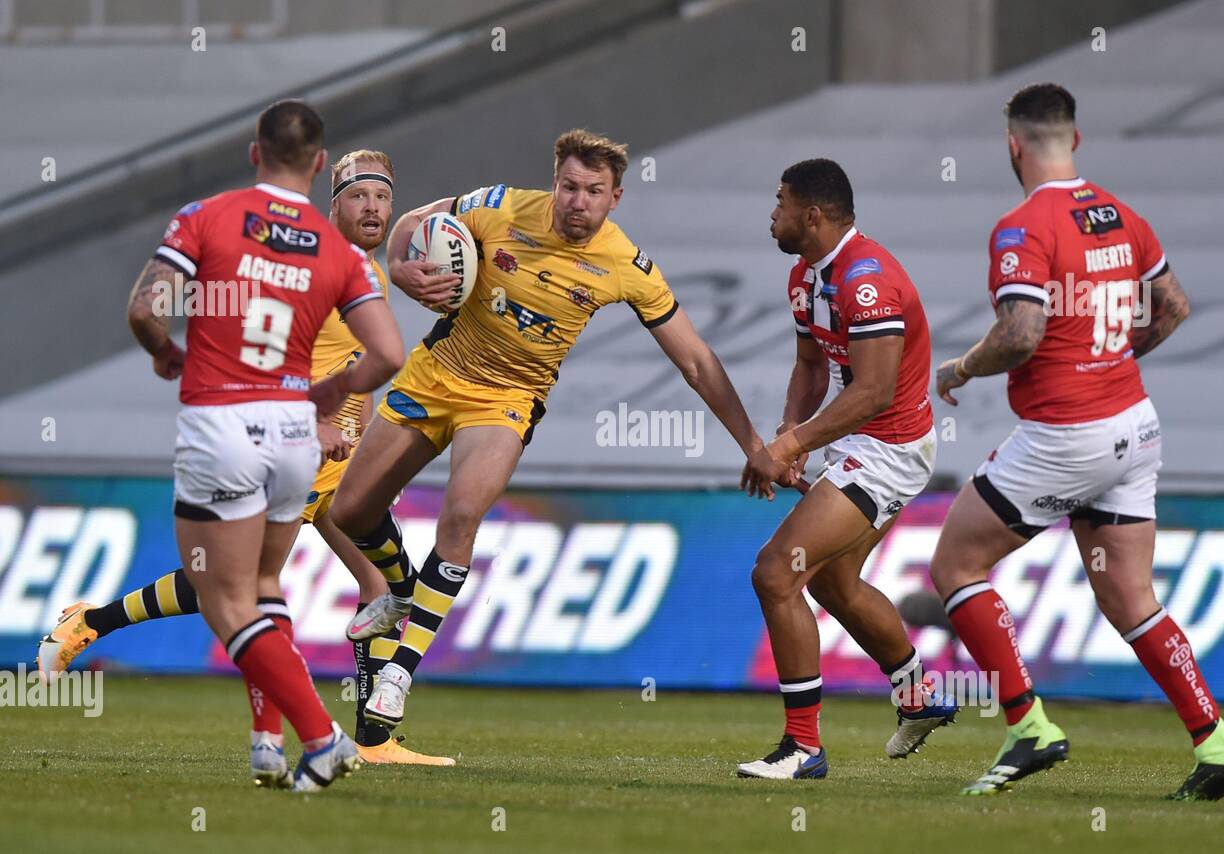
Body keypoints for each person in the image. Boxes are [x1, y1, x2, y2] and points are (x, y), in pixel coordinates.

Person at [328, 129, 770, 731]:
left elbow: (695, 361)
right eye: (568, 186)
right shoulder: (503, 206)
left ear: (615, 197)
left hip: (508, 400)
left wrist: (751, 443)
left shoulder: (625, 265)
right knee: (349, 512)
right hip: (436, 373)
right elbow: (410, 221)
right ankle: (401, 591)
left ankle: (398, 676)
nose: (577, 201)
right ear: (554, 181)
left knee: (461, 514)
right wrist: (401, 268)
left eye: (593, 191)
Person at [40, 149, 451, 772]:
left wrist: (364, 450)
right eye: (358, 196)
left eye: (382, 197)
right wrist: (314, 423)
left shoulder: (372, 267)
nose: (372, 207)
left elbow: (359, 373)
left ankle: (373, 738)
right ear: (331, 202)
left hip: (340, 461)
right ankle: (91, 621)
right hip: (294, 448)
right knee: (238, 586)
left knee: (379, 587)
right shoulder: (312, 265)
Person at [929, 83, 1224, 800]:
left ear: (1012, 145)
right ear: (1074, 140)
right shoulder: (1120, 214)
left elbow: (1019, 335)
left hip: (1067, 434)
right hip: (1134, 425)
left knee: (954, 565)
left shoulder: (1022, 226)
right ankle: (1220, 746)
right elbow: (1173, 305)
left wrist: (959, 368)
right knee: (1131, 598)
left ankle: (1028, 728)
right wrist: (1112, 358)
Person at [127, 100, 403, 791]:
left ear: (255, 153)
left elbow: (145, 307)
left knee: (221, 600)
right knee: (262, 586)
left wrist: (165, 352)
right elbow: (389, 354)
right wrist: (335, 392)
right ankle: (266, 743)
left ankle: (320, 737)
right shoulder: (337, 249)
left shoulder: (206, 216)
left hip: (221, 426)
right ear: (318, 165)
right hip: (292, 436)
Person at [734, 159, 955, 780]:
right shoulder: (806, 277)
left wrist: (791, 444)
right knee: (833, 585)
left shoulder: (866, 280)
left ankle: (803, 749)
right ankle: (919, 697)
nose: (771, 215)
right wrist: (789, 434)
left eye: (779, 203)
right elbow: (810, 368)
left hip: (887, 449)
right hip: (852, 444)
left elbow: (875, 392)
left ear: (812, 214)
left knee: (777, 573)